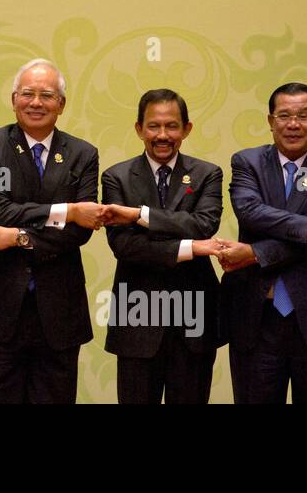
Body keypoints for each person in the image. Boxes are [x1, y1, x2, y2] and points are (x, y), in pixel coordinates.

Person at [0, 58, 105, 403]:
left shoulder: (83, 154)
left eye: (47, 94)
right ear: (14, 99)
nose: (36, 102)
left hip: (59, 306)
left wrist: (17, 236)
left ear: (62, 104)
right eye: (27, 93)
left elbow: (81, 231)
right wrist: (68, 211)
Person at [219, 82, 307, 404]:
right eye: (284, 116)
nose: (293, 124)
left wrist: (255, 253)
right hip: (256, 317)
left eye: (303, 116)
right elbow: (251, 213)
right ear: (270, 121)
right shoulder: (247, 162)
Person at [100, 89, 223, 403]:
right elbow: (125, 246)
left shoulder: (207, 174)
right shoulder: (117, 177)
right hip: (137, 319)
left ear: (186, 129)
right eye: (154, 126)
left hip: (194, 319)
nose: (163, 135)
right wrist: (192, 249)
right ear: (139, 129)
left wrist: (138, 215)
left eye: (172, 126)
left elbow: (204, 224)